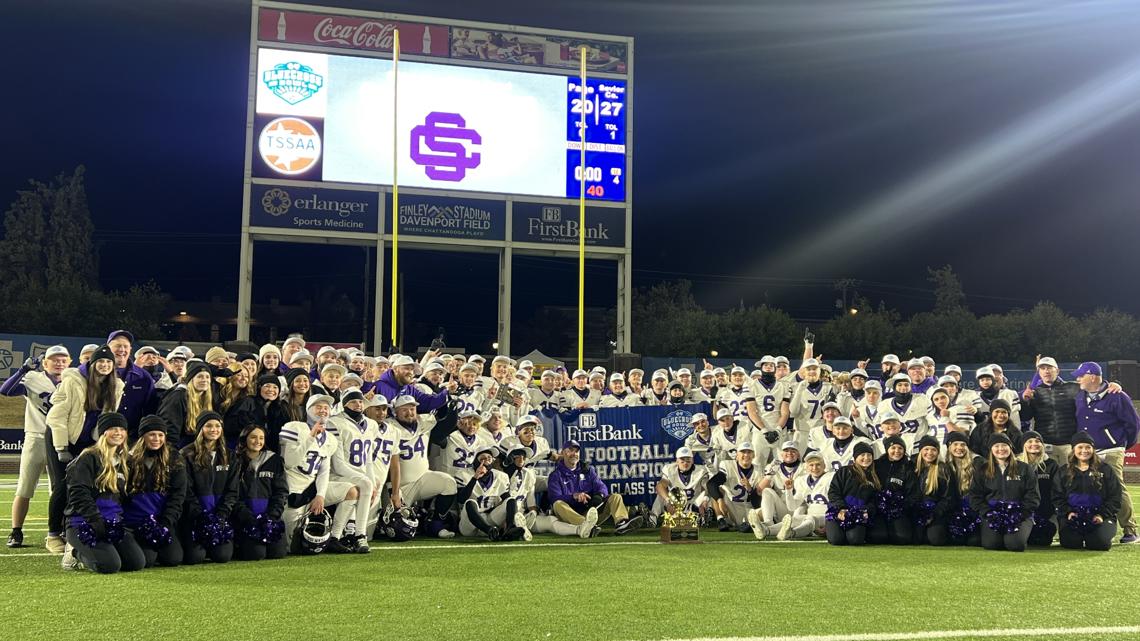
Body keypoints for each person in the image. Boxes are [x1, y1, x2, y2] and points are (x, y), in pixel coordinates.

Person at [44, 345, 124, 553]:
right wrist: (61, 447)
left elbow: (106, 418)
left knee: (85, 485)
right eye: (100, 361)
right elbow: (57, 416)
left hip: (88, 442)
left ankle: (70, 529)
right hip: (61, 436)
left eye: (108, 362)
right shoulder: (73, 380)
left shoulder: (116, 386)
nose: (104, 365)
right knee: (62, 485)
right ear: (92, 363)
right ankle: (53, 535)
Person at [60, 412, 145, 573]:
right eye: (113, 428)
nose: (118, 432)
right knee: (109, 565)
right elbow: (79, 493)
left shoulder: (125, 461)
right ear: (103, 433)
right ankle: (74, 553)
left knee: (135, 563)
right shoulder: (88, 457)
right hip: (84, 522)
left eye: (122, 429)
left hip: (113, 522)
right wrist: (95, 520)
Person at [2, 345, 69, 548]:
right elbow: (5, 390)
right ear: (45, 363)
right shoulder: (33, 378)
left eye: (63, 360)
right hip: (36, 436)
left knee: (57, 490)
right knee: (25, 487)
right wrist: (23, 370)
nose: (59, 363)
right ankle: (16, 531)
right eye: (54, 360)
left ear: (69, 363)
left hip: (60, 439)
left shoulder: (73, 380)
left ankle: (58, 530)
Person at [279, 395, 360, 552]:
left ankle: (335, 537)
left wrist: (320, 495)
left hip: (312, 489)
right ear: (309, 410)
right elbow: (289, 462)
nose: (323, 410)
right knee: (291, 548)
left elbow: (324, 470)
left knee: (351, 491)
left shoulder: (330, 438)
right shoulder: (294, 427)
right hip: (293, 492)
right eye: (318, 407)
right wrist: (311, 437)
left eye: (326, 408)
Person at [1072, 361, 1139, 544]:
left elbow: (1133, 425)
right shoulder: (1080, 396)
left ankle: (1130, 529)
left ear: (1093, 377)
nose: (1078, 379)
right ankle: (1091, 525)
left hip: (1111, 450)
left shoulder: (1117, 396)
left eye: (1081, 376)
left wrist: (1120, 445)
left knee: (1117, 487)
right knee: (1088, 487)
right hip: (1087, 452)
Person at [388, 395, 457, 539]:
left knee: (449, 483)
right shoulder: (389, 427)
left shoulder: (424, 421)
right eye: (404, 410)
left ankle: (436, 524)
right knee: (396, 526)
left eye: (412, 409)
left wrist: (452, 405)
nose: (409, 413)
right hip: (399, 486)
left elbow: (446, 423)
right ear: (395, 412)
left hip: (423, 478)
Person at [124, 415, 188, 567]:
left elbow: (178, 496)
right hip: (136, 522)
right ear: (143, 437)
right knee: (148, 560)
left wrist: (165, 522)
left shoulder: (175, 458)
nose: (156, 439)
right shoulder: (128, 459)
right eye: (152, 434)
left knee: (173, 559)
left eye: (160, 435)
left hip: (162, 520)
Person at [326, 388, 383, 552]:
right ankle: (360, 535)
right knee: (365, 484)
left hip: (358, 474)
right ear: (344, 404)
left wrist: (370, 480)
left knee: (368, 484)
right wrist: (365, 480)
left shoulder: (371, 424)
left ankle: (338, 536)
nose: (358, 404)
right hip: (337, 474)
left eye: (360, 401)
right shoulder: (334, 422)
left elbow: (368, 460)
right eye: (352, 401)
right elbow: (338, 464)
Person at [179, 411, 239, 564]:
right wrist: (201, 516)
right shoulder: (186, 454)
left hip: (220, 517)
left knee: (222, 556)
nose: (214, 429)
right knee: (195, 557)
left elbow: (232, 490)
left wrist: (221, 515)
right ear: (201, 429)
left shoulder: (230, 455)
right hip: (195, 518)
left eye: (217, 426)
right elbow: (186, 491)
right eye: (209, 426)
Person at [547, 440, 643, 535]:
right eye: (570, 450)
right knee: (557, 504)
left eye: (576, 451)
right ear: (563, 453)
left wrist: (599, 495)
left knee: (615, 497)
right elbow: (554, 497)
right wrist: (573, 497)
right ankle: (586, 525)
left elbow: (601, 486)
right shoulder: (556, 475)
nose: (574, 454)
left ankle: (621, 523)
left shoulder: (587, 470)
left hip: (590, 513)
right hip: (570, 516)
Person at [1052, 432, 1122, 551]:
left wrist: (1102, 515)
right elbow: (1057, 496)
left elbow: (1115, 496)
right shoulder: (1064, 471)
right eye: (1080, 447)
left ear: (1093, 449)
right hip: (1073, 516)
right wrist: (1068, 512)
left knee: (1099, 544)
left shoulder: (1105, 469)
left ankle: (1101, 533)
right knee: (1071, 543)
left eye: (1088, 447)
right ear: (1073, 450)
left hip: (1099, 516)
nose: (1084, 450)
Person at [970, 433, 1039, 552]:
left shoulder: (1025, 468)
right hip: (992, 514)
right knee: (992, 544)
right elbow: (975, 496)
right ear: (991, 449)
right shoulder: (982, 470)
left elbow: (1033, 495)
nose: (1001, 449)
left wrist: (1022, 513)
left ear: (1010, 447)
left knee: (1015, 545)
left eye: (1004, 445)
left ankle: (1018, 535)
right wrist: (987, 512)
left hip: (1019, 514)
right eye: (996, 446)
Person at [231, 425, 289, 561]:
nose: (258, 441)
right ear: (244, 439)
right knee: (256, 554)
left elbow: (281, 492)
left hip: (270, 517)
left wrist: (271, 516)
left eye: (261, 438)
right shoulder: (234, 460)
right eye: (253, 437)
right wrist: (247, 517)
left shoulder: (274, 460)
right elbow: (232, 494)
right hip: (246, 518)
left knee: (278, 553)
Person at [457, 448, 529, 541]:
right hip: (469, 525)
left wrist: (508, 517)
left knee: (511, 500)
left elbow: (507, 500)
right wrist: (475, 478)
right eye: (482, 458)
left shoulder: (501, 476)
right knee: (470, 502)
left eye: (489, 458)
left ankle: (510, 528)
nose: (486, 460)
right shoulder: (463, 474)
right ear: (475, 460)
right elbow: (461, 499)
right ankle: (489, 530)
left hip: (490, 520)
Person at [105, 330, 158, 437]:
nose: (122, 349)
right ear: (107, 348)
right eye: (118, 346)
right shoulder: (99, 374)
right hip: (103, 434)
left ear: (130, 349)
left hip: (133, 435)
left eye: (125, 346)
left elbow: (150, 409)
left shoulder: (143, 376)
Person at [825, 441, 879, 546]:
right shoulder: (844, 471)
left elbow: (874, 500)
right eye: (862, 455)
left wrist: (866, 510)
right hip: (839, 511)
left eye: (869, 455)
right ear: (855, 457)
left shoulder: (874, 476)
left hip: (859, 514)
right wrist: (841, 508)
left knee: (855, 540)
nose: (866, 458)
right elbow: (833, 492)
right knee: (836, 540)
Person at [746, 441, 803, 539]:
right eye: (786, 450)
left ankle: (766, 527)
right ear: (781, 454)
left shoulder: (805, 467)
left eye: (793, 451)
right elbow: (759, 491)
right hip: (782, 507)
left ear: (798, 454)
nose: (789, 453)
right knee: (767, 491)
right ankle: (768, 522)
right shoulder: (774, 467)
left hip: (798, 507)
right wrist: (769, 475)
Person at [157, 360, 219, 449]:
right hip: (179, 447)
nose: (204, 380)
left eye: (207, 377)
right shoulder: (177, 397)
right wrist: (172, 452)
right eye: (200, 376)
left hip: (195, 447)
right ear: (190, 379)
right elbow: (170, 429)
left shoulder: (206, 398)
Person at [869, 435, 918, 545]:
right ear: (887, 449)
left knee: (903, 538)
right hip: (878, 510)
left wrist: (900, 507)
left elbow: (912, 494)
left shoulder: (909, 467)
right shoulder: (876, 465)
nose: (897, 451)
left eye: (900, 448)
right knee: (877, 537)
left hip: (899, 510)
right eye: (893, 448)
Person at [773, 451, 833, 541]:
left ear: (824, 465)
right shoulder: (802, 481)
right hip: (810, 518)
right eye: (811, 465)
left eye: (818, 464)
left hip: (828, 516)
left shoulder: (831, 477)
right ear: (806, 467)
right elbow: (792, 507)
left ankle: (792, 533)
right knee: (794, 519)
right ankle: (766, 530)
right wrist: (789, 490)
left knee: (811, 518)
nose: (815, 468)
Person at [707, 442, 763, 532]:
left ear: (753, 455)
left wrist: (750, 489)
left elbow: (757, 502)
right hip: (731, 506)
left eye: (749, 452)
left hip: (749, 508)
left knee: (764, 508)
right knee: (718, 490)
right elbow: (711, 484)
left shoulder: (758, 471)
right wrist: (720, 500)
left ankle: (750, 524)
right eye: (743, 452)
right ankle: (721, 519)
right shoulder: (728, 465)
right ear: (737, 455)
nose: (746, 455)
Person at [649, 447, 709, 527]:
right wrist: (668, 501)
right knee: (661, 495)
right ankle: (652, 519)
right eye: (682, 461)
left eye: (688, 460)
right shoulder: (670, 469)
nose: (685, 463)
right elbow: (660, 486)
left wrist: (704, 501)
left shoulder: (701, 470)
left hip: (693, 503)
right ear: (677, 461)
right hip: (674, 504)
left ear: (692, 461)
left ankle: (704, 516)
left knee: (708, 496)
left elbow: (706, 487)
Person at [912, 435, 956, 546]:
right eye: (926, 449)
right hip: (917, 512)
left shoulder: (944, 469)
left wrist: (935, 513)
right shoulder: (912, 467)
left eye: (933, 450)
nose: (930, 453)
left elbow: (949, 497)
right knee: (914, 539)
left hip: (937, 513)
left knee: (936, 539)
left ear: (938, 452)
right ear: (920, 451)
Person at [1018, 431, 1059, 546]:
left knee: (1042, 541)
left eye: (1037, 441)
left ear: (1042, 445)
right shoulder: (1016, 464)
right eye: (1030, 441)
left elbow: (1056, 491)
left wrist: (1051, 514)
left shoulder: (1051, 464)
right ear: (1024, 445)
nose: (1034, 444)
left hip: (1045, 514)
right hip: (1022, 513)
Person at [787, 359, 836, 453]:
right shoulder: (796, 387)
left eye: (814, 369)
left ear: (819, 371)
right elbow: (793, 412)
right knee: (801, 459)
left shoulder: (828, 387)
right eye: (809, 369)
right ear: (803, 372)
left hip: (822, 431)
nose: (812, 371)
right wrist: (799, 391)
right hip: (802, 431)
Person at [944, 432, 981, 546]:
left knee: (974, 541)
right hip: (954, 510)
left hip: (974, 510)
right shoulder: (945, 465)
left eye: (963, 444)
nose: (959, 448)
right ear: (949, 446)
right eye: (955, 444)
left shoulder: (978, 462)